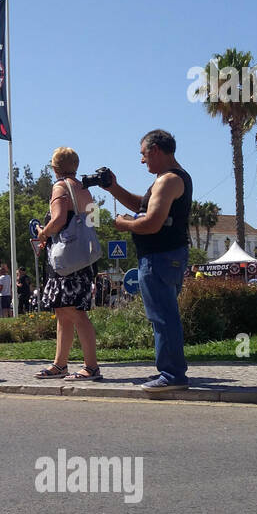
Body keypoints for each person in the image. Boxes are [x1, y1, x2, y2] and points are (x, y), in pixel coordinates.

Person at [109, 129, 192, 393]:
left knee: (163, 316)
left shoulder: (168, 180)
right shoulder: (169, 180)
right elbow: (143, 206)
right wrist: (112, 187)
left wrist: (124, 225)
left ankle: (172, 374)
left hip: (159, 257)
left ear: (155, 149)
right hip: (167, 256)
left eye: (143, 154)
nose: (142, 161)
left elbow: (151, 222)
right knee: (164, 315)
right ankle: (172, 371)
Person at [32, 147, 102, 381]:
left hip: (66, 262)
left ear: (54, 168)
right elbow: (95, 221)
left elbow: (59, 219)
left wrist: (44, 233)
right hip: (84, 257)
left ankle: (91, 366)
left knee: (75, 312)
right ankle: (60, 364)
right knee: (63, 312)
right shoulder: (85, 190)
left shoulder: (60, 187)